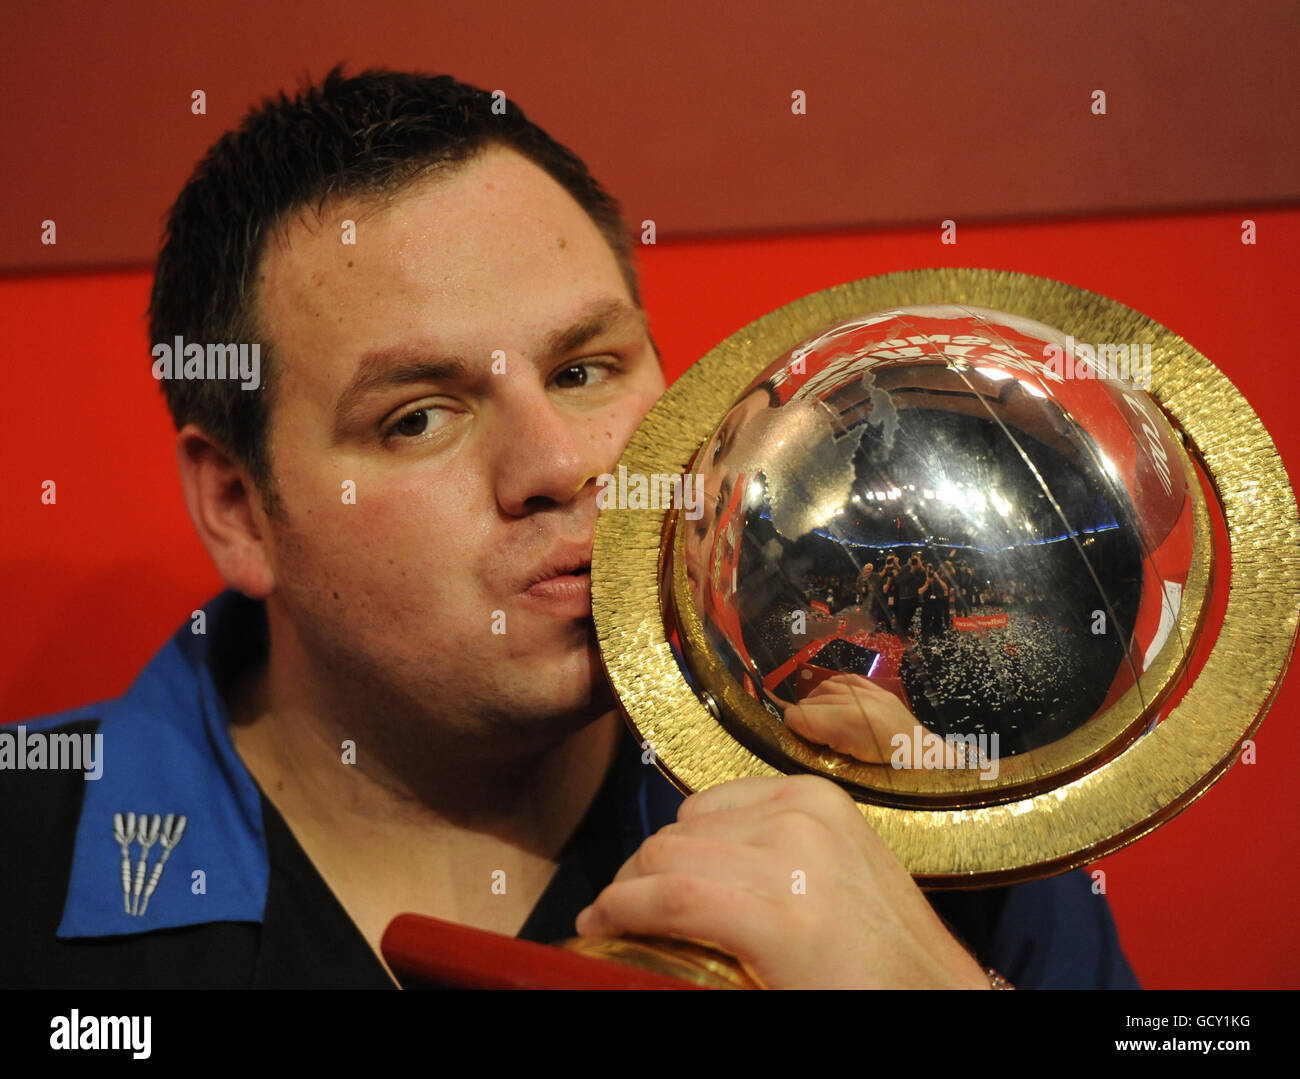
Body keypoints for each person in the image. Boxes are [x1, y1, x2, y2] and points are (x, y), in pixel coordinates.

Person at [0, 67, 1136, 990]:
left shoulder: (912, 812)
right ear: (238, 508)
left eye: (585, 368)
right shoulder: (24, 852)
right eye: (418, 416)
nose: (561, 466)